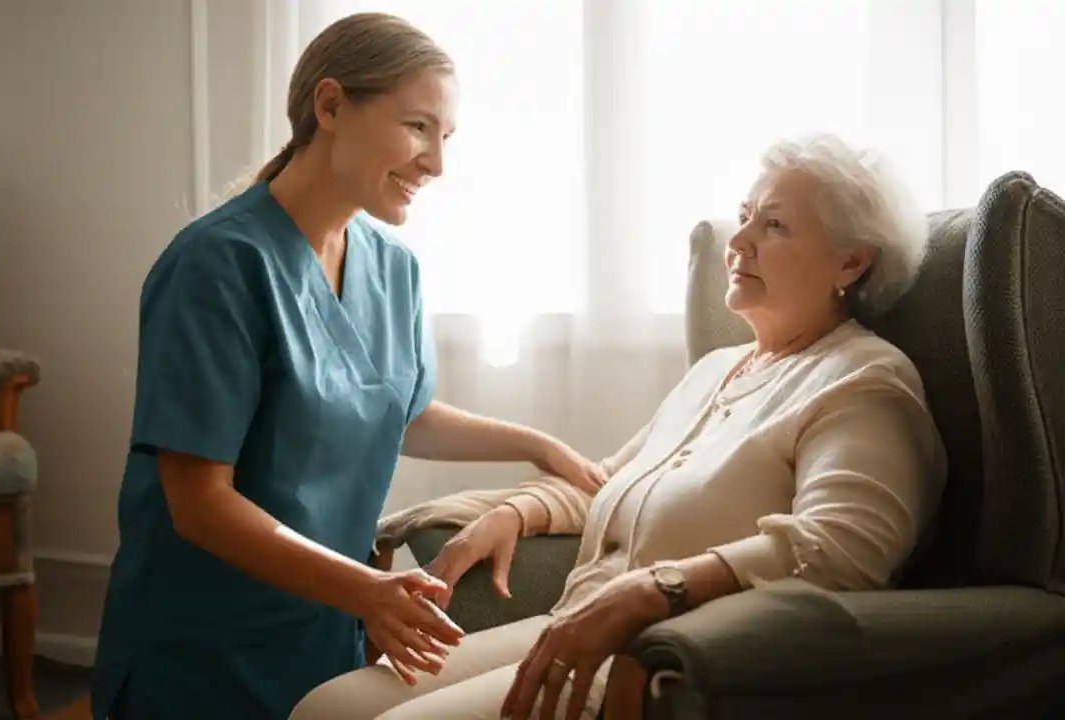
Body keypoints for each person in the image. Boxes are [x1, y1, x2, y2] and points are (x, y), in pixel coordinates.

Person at [290, 134, 947, 720]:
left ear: (851, 263)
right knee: (329, 705)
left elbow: (845, 549)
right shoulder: (719, 370)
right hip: (576, 622)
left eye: (774, 225)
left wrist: (656, 589)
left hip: (670, 651)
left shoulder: (862, 383)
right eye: (745, 216)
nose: (738, 241)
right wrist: (518, 513)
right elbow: (612, 482)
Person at [87, 12, 607, 720]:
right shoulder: (215, 266)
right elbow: (199, 503)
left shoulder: (394, 267)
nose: (436, 163)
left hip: (319, 632)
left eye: (446, 136)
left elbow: (405, 413)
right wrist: (364, 591)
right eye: (418, 127)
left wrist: (535, 445)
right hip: (204, 642)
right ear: (329, 106)